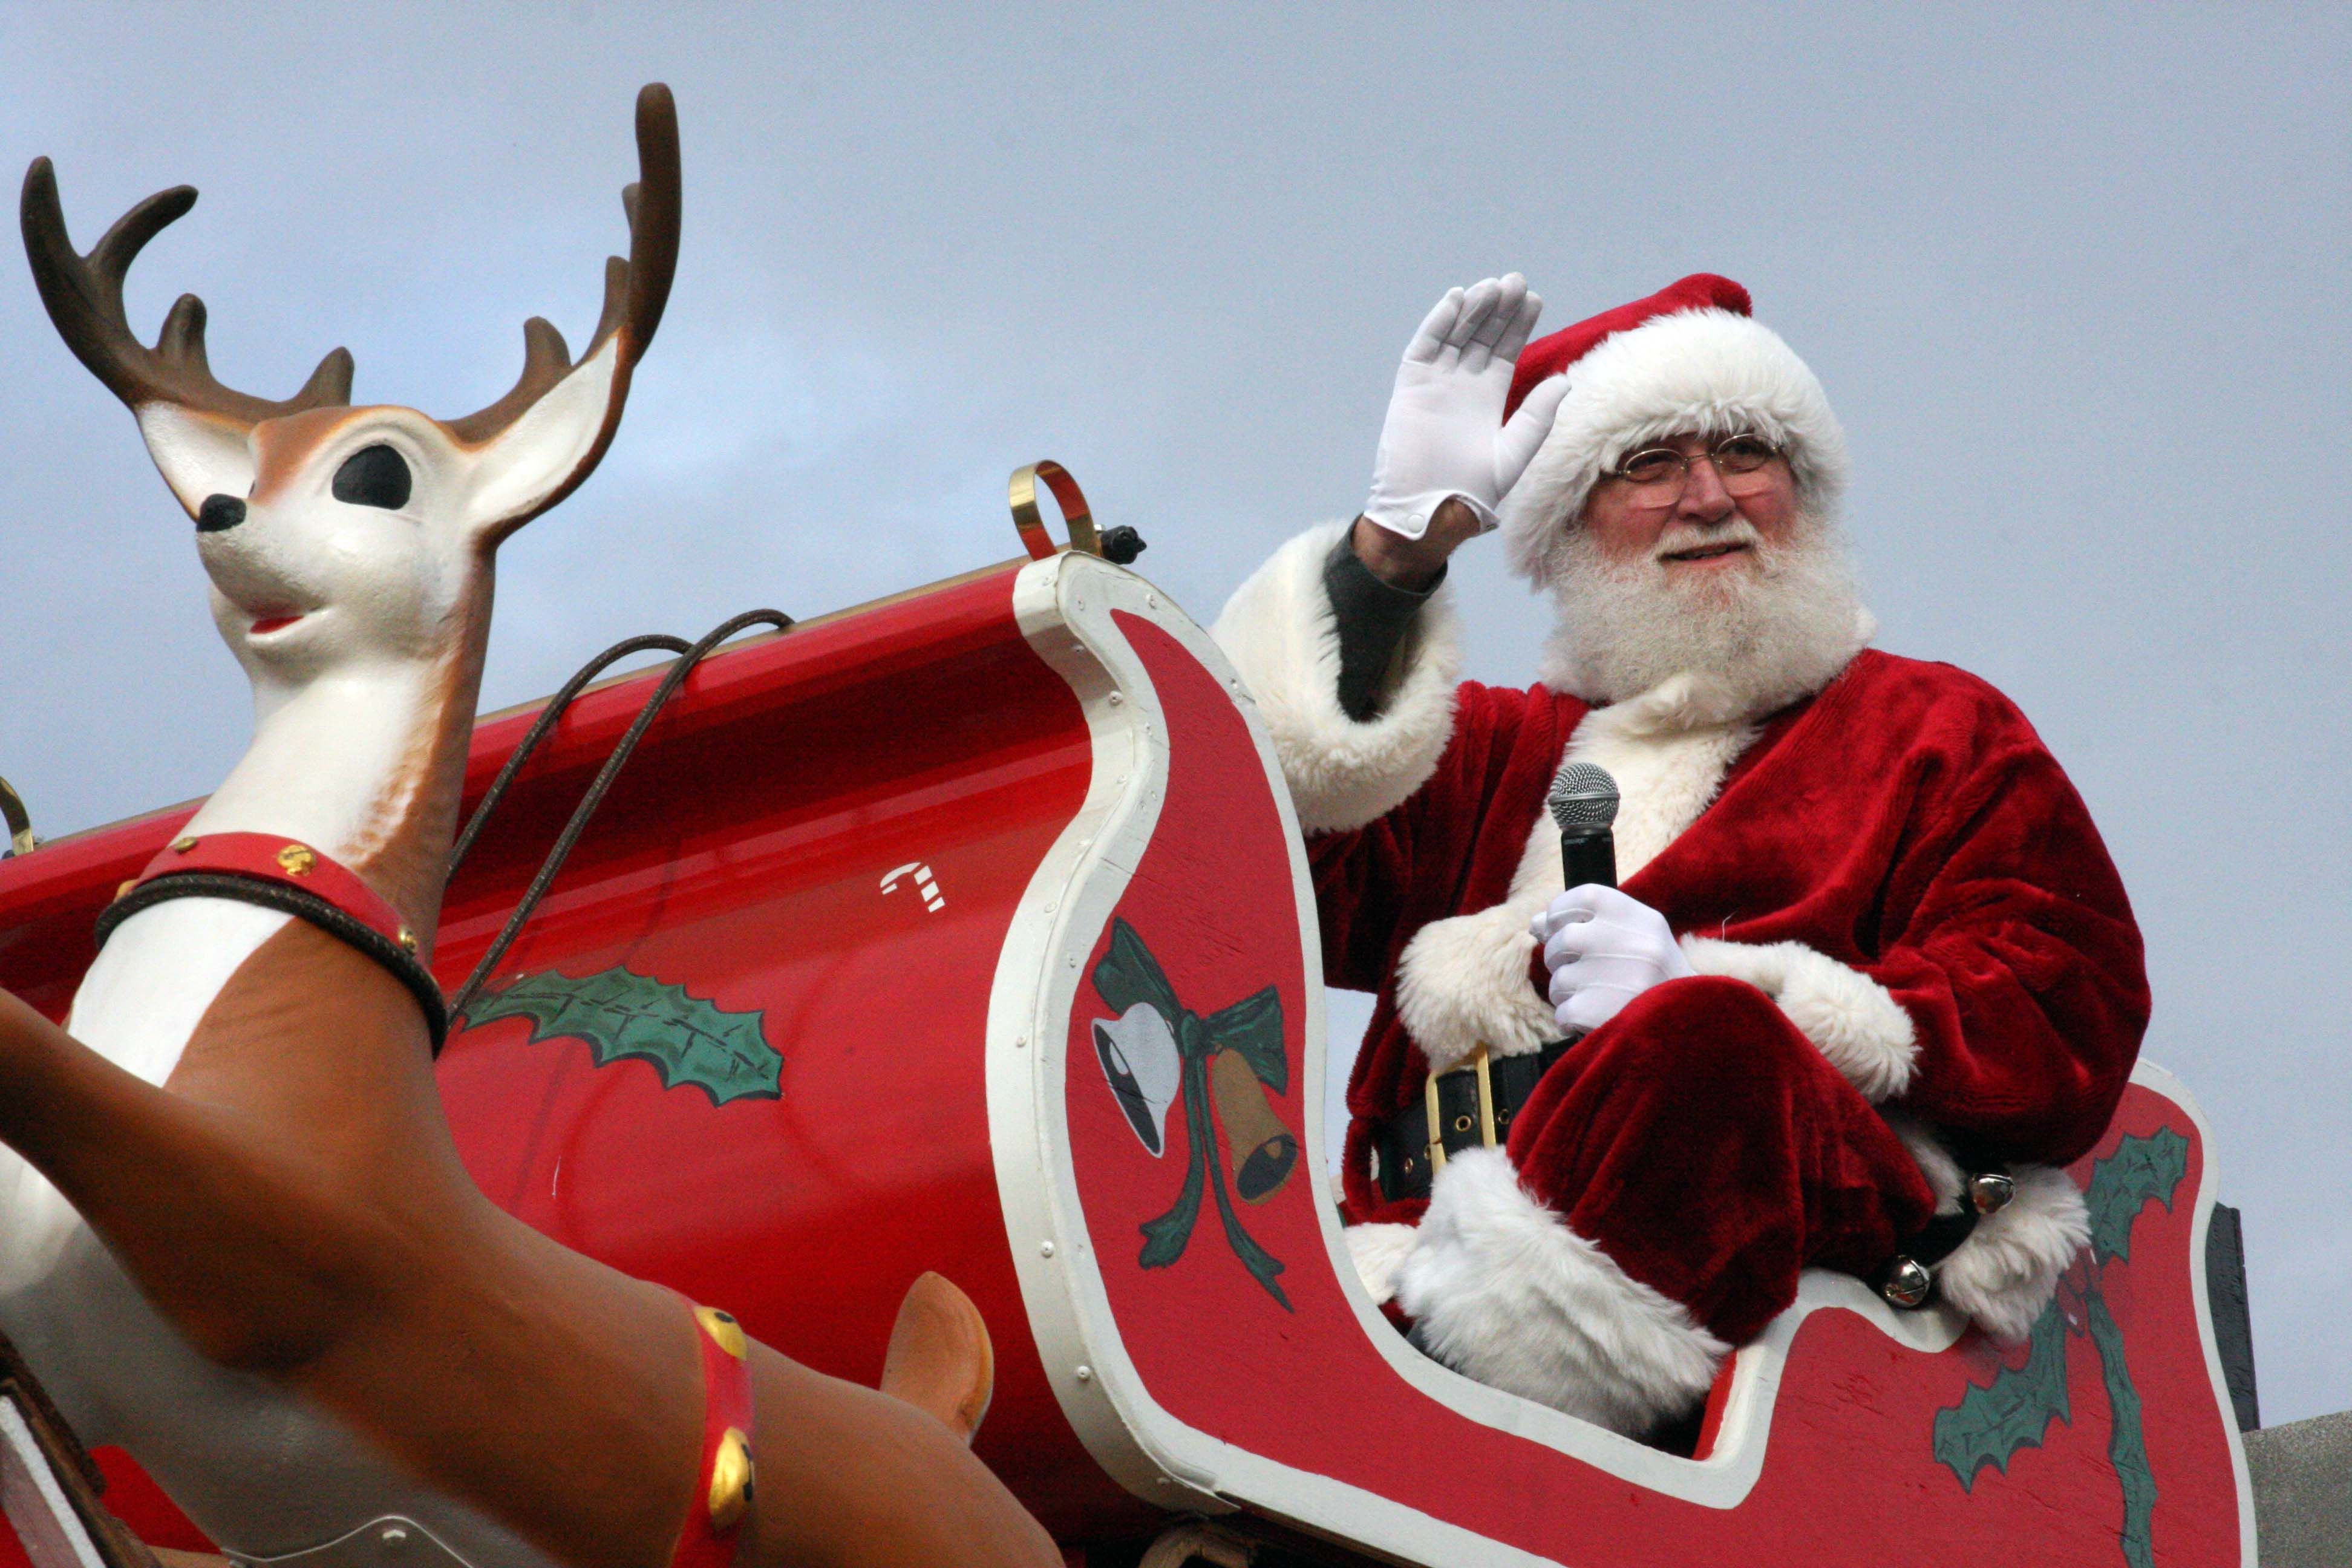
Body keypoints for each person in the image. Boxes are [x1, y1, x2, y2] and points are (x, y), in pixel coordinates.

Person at [1210, 272, 2147, 1438]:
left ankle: (1445, 1406)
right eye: (1650, 464)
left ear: (1804, 494)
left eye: (1749, 452)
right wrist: (1391, 559)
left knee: (1703, 1047)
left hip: (1799, 1241)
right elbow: (1252, 839)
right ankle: (1399, 1381)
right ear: (1564, 532)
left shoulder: (1935, 728)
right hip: (1407, 1248)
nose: (1710, 498)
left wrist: (1730, 990)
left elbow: (2067, 1004)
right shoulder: (1500, 755)